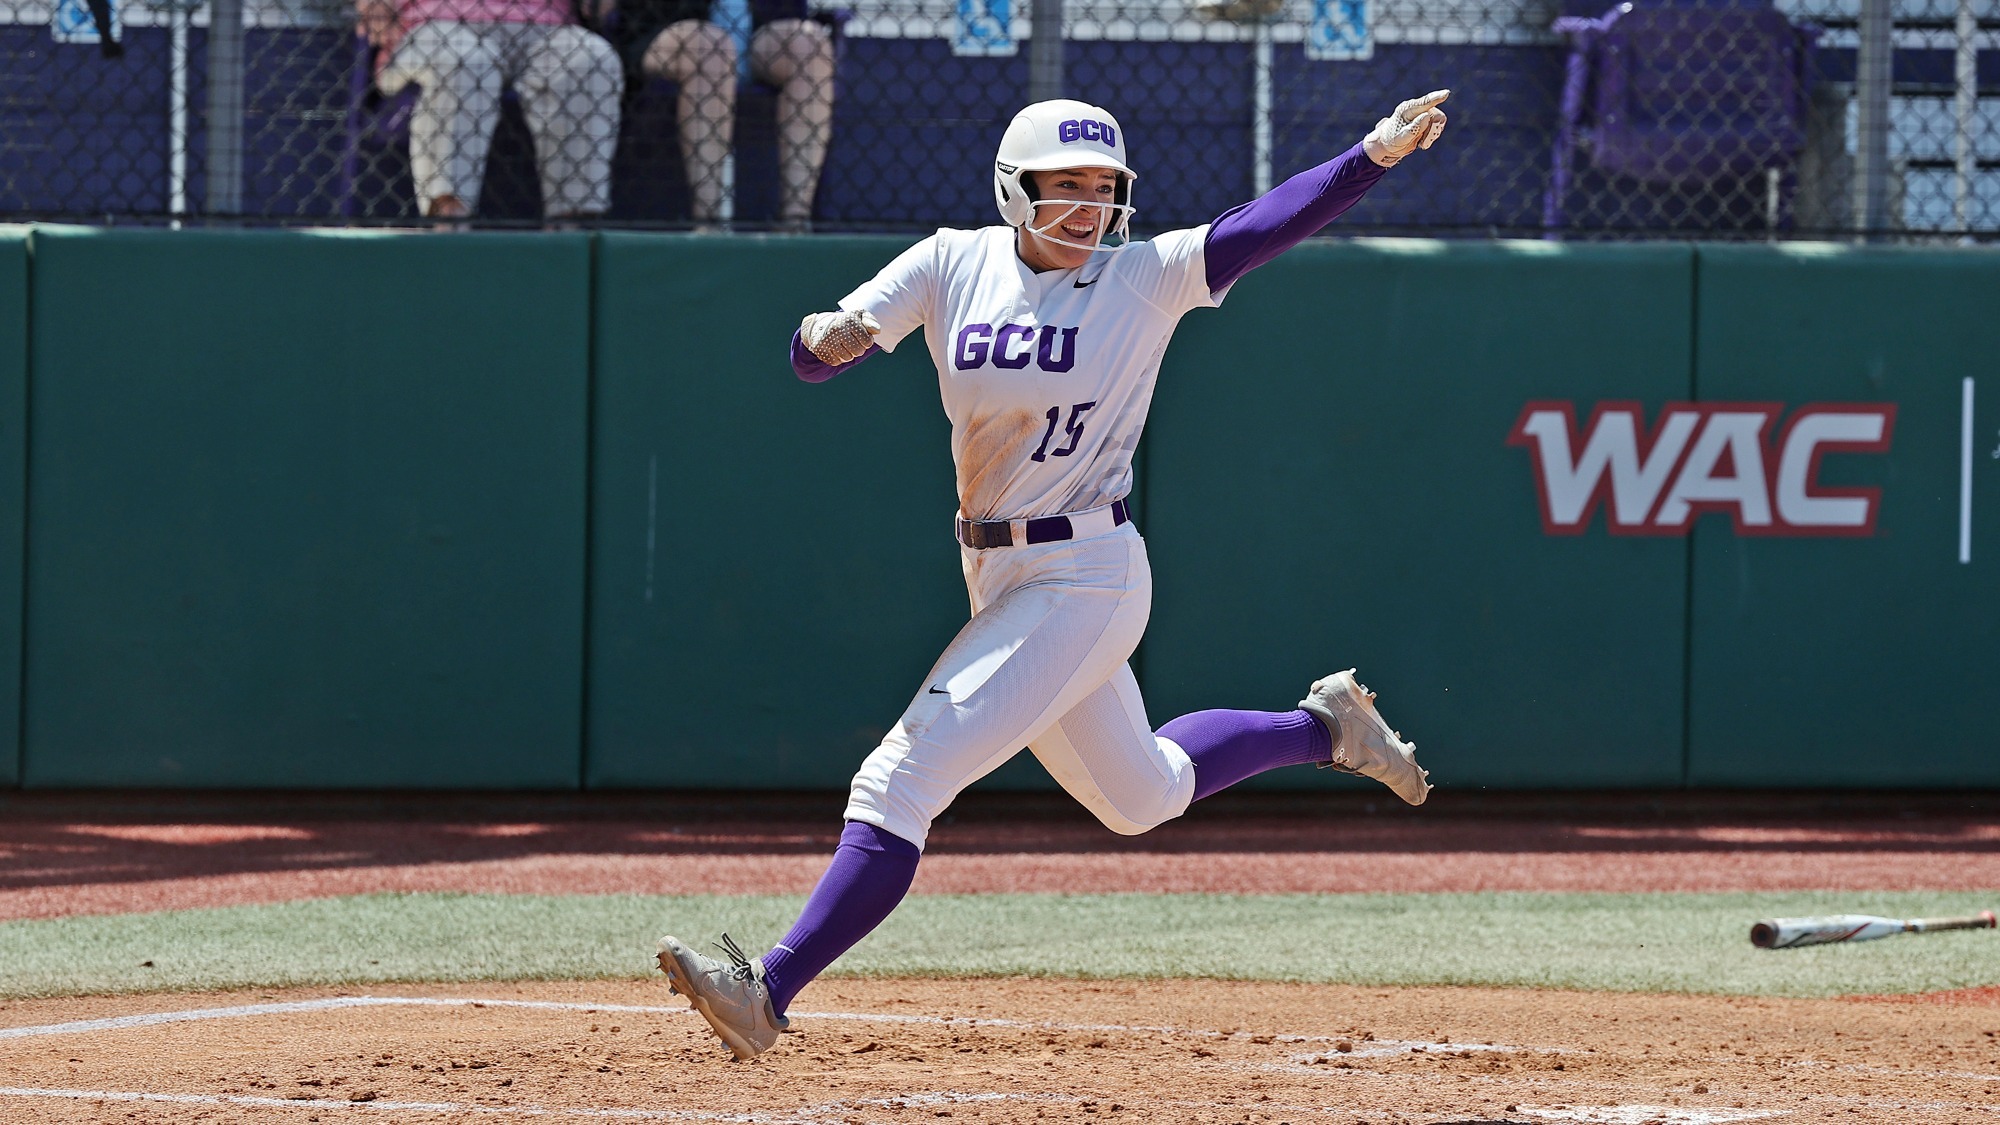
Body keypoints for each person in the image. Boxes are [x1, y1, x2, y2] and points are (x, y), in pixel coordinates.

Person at [657, 91, 1451, 1061]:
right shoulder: (952, 260)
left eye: (1102, 188)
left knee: (898, 780)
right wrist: (826, 337)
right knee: (1141, 796)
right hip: (994, 567)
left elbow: (1263, 224)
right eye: (1062, 186)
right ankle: (1325, 728)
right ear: (1012, 188)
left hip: (1086, 572)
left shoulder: (1141, 277)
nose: (1086, 207)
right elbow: (815, 356)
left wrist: (1371, 154)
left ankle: (768, 992)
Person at [356, 0, 624, 221]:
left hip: (548, 24)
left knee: (593, 61)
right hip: (435, 22)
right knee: (466, 62)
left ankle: (572, 232)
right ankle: (449, 224)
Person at [609, 0, 834, 228]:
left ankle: (795, 221)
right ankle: (709, 222)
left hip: (755, 26)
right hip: (664, 26)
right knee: (710, 46)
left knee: (809, 44)